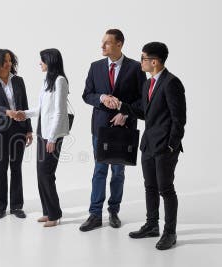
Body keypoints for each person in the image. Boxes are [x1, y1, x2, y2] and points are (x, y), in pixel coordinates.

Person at [105, 42, 187, 250]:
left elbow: (179, 119)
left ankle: (170, 232)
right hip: (148, 145)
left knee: (165, 188)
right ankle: (152, 225)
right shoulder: (147, 84)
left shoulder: (171, 83)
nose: (140, 62)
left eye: (143, 58)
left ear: (154, 61)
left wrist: (171, 145)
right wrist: (122, 106)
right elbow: (144, 113)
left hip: (165, 147)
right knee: (150, 186)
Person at [79, 29, 146, 232]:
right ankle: (95, 214)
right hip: (100, 128)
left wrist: (125, 113)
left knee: (118, 172)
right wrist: (101, 98)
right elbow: (87, 95)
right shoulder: (95, 67)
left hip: (124, 128)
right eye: (102, 42)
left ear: (119, 44)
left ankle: (114, 211)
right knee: (99, 170)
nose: (102, 46)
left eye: (107, 43)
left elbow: (143, 99)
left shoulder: (135, 68)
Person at [11, 48, 70, 227]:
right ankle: (48, 211)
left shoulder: (60, 81)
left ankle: (54, 214)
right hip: (41, 132)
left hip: (53, 135)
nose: (40, 63)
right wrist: (24, 113)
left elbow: (60, 112)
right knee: (41, 174)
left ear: (50, 61)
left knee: (47, 174)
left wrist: (52, 139)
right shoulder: (47, 81)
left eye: (42, 60)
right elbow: (41, 109)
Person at [0, 49, 34, 219]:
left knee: (16, 167)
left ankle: (17, 206)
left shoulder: (18, 81)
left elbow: (25, 106)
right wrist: (6, 112)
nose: (9, 63)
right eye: (5, 61)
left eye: (10, 60)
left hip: (19, 130)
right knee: (1, 167)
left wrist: (28, 129)